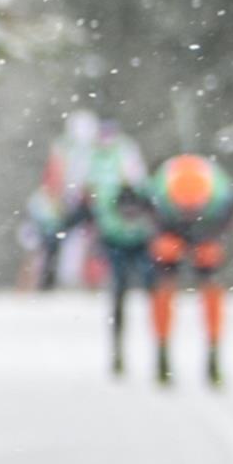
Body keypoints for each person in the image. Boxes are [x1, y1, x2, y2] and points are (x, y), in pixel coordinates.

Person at [144, 153, 233, 387]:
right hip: (169, 227)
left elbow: (229, 217)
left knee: (211, 282)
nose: (189, 217)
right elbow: (150, 216)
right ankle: (162, 350)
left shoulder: (221, 193)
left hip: (209, 227)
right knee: (165, 280)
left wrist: (210, 238)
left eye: (193, 211)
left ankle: (213, 350)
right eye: (185, 211)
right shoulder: (160, 191)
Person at [79, 124, 157, 377]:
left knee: (143, 292)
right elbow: (90, 197)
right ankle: (121, 353)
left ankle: (156, 351)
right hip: (116, 236)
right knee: (123, 292)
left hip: (132, 237)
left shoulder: (124, 152)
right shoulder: (95, 158)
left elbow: (141, 189)